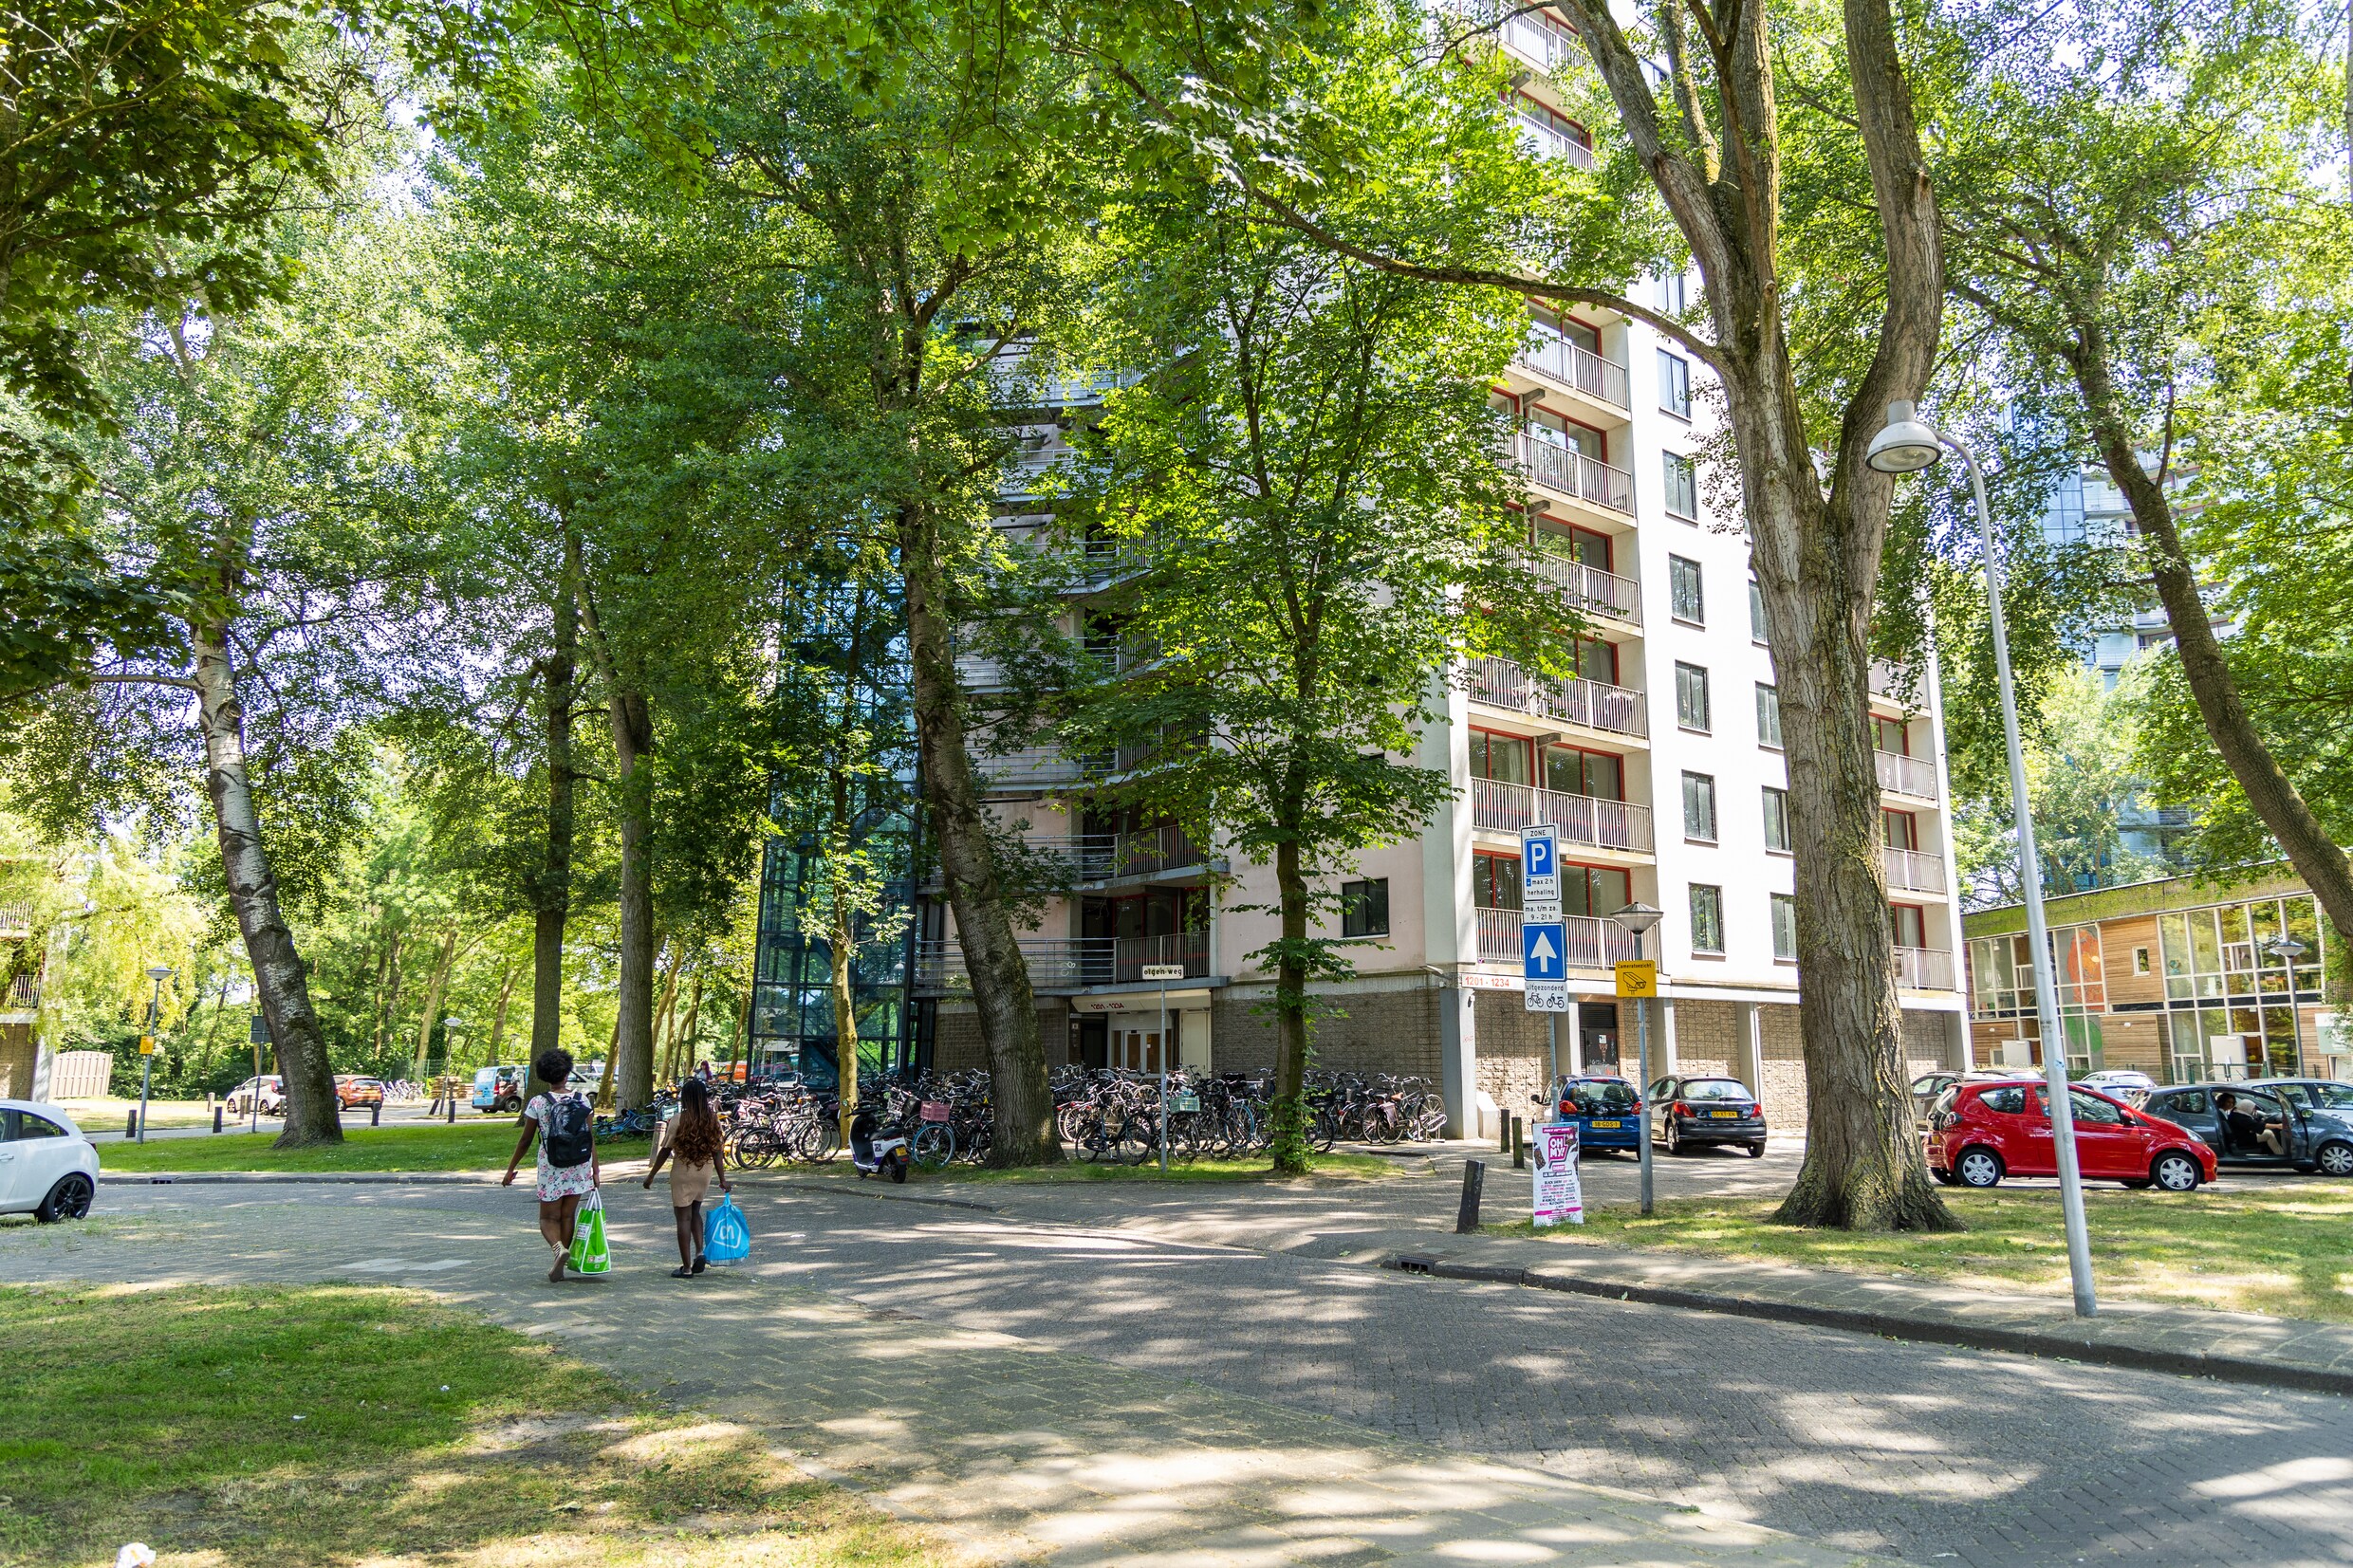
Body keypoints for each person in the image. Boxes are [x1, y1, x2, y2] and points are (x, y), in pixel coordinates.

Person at [502, 1047, 600, 1282]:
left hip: (551, 1166)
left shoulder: (538, 1102)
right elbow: (589, 1136)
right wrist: (595, 1170)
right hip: (579, 1166)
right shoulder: (582, 1100)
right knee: (568, 1216)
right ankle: (561, 1263)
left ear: (545, 1075)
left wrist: (511, 1168)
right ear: (567, 1073)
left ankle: (558, 1250)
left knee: (547, 1218)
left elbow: (526, 1139)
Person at [644, 1076, 731, 1277]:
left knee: (683, 1218)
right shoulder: (713, 1120)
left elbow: (665, 1150)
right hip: (704, 1171)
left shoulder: (678, 1120)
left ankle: (687, 1267)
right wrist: (723, 1179)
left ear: (686, 1098)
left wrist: (651, 1176)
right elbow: (718, 1152)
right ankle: (700, 1251)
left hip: (683, 1171)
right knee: (696, 1212)